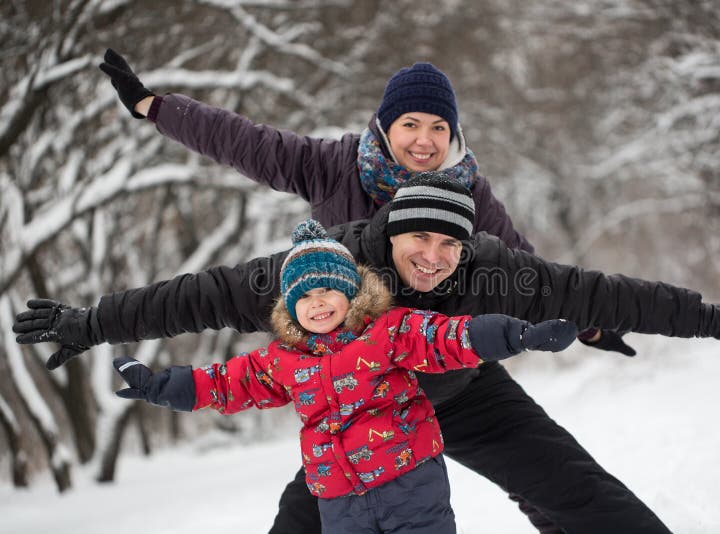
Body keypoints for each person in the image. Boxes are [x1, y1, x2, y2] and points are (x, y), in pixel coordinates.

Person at [13, 174, 720, 534]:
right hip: (359, 419)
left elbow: (598, 293)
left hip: (465, 397)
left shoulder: (491, 268)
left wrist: (710, 317)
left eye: (449, 243)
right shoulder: (326, 269)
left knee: (584, 496)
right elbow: (200, 294)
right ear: (388, 235)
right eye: (421, 237)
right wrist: (92, 322)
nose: (435, 257)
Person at [99, 49, 634, 532]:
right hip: (358, 397)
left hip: (458, 382)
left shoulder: (469, 194)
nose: (424, 140)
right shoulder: (332, 167)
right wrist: (154, 107)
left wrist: (586, 321)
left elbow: (527, 277)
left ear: (453, 135)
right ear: (384, 126)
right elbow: (243, 141)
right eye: (410, 124)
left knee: (576, 491)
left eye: (438, 128)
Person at [110, 218, 578, 534]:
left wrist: (521, 336)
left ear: (351, 291)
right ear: (291, 305)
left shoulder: (389, 331)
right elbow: (225, 383)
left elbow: (451, 338)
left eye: (330, 289)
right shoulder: (282, 359)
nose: (318, 302)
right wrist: (158, 386)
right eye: (306, 295)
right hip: (339, 499)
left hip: (408, 484)